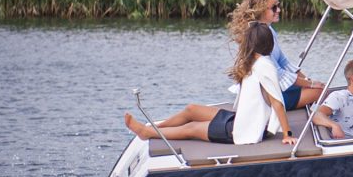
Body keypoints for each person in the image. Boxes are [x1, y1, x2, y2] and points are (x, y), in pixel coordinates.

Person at [124, 22, 297, 146]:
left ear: (251, 43)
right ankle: (155, 127)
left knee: (192, 128)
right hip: (240, 119)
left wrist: (287, 134)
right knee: (192, 109)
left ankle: (148, 133)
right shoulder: (255, 61)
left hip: (244, 131)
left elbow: (277, 102)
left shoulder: (266, 66)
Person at [228, 0, 322, 110]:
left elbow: (283, 61)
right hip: (266, 95)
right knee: (320, 91)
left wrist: (307, 80)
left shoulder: (269, 29)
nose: (278, 10)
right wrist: (311, 84)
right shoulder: (258, 36)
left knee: (317, 87)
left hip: (273, 86)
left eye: (278, 5)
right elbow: (277, 73)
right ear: (260, 10)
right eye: (274, 7)